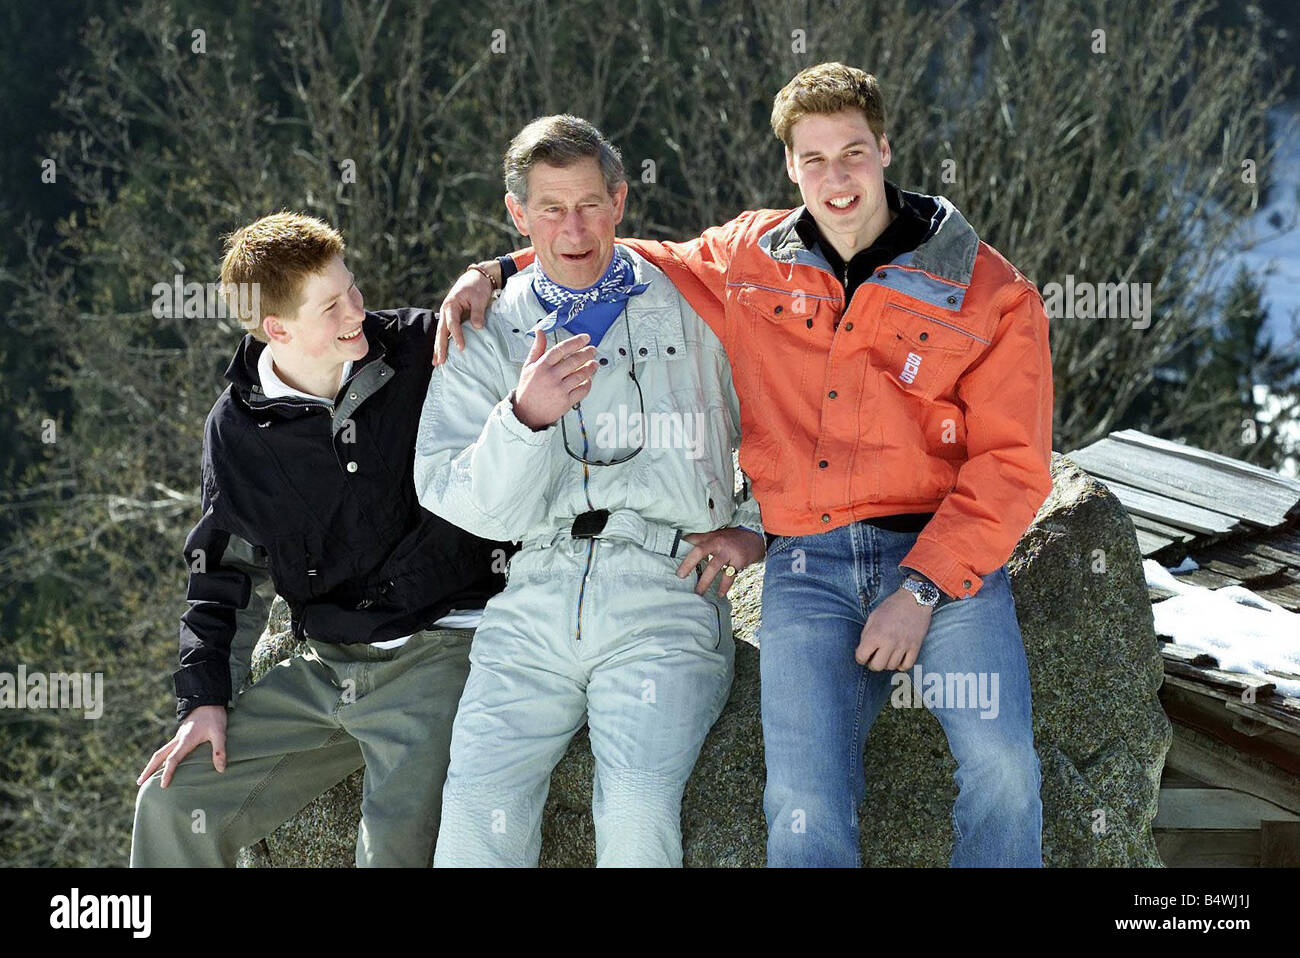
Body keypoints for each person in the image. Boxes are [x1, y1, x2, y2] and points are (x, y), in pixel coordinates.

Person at [438, 63, 1054, 867]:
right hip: (808, 562)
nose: (837, 179)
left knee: (1004, 767)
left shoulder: (987, 289)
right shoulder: (749, 258)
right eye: (815, 159)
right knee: (802, 796)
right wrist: (495, 270)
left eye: (855, 153)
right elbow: (608, 248)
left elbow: (1013, 466)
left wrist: (921, 588)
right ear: (791, 166)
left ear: (887, 149)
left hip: (942, 558)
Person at [414, 115, 764, 867]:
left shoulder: (698, 302)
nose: (572, 229)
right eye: (549, 209)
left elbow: (793, 413)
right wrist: (523, 418)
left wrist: (758, 525)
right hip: (531, 598)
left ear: (619, 201)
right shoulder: (486, 330)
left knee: (636, 805)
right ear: (518, 215)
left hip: (665, 595)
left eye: (588, 206)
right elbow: (459, 497)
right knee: (476, 809)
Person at [130, 212, 507, 867]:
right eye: (332, 305)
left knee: (394, 844)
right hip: (326, 667)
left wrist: (490, 272)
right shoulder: (237, 431)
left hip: (444, 650)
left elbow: (575, 264)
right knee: (170, 804)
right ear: (278, 329)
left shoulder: (424, 349)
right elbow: (222, 573)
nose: (357, 309)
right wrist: (204, 700)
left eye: (352, 288)